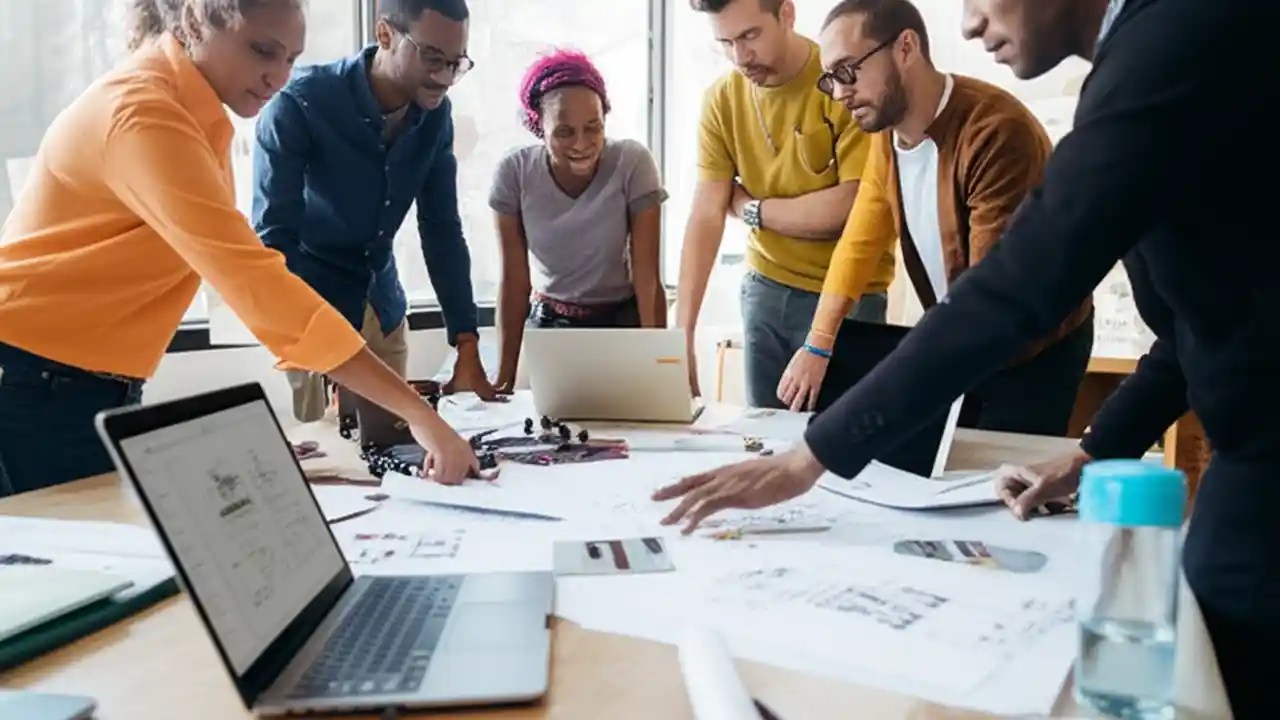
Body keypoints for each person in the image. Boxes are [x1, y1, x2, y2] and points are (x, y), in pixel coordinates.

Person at [655, 0, 1276, 714]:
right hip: (1250, 435)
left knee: (1218, 659)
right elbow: (1199, 328)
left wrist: (810, 456)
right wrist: (1095, 448)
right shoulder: (1154, 50)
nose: (973, 23)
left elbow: (1015, 288)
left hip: (1256, 446)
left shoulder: (1170, 43)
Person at [0, 0, 481, 498]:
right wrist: (421, 417)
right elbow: (256, 282)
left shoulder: (194, 112)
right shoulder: (146, 114)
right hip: (32, 373)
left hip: (83, 381)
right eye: (262, 51)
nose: (277, 75)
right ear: (192, 22)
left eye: (291, 58)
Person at [775, 0, 1094, 439]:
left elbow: (992, 296)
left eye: (849, 70)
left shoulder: (995, 132)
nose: (840, 91)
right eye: (830, 79)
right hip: (963, 338)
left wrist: (885, 399)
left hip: (1030, 350)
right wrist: (817, 343)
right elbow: (860, 242)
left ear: (905, 48)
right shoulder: (887, 138)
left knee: (1000, 489)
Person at [252, 0, 499, 424]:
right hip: (314, 312)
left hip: (383, 309)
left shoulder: (436, 119)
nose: (444, 77)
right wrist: (310, 345)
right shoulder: (301, 105)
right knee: (334, 463)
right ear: (385, 35)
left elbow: (441, 229)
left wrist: (466, 342)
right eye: (432, 58)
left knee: (395, 457)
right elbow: (274, 240)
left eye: (456, 63)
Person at [675, 0, 887, 408]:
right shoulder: (721, 99)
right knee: (765, 447)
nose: (740, 56)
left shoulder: (842, 82)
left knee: (842, 449)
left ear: (787, 14)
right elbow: (706, 213)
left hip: (850, 298)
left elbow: (851, 208)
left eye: (750, 36)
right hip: (765, 292)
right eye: (725, 42)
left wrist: (752, 210)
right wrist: (681, 336)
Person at [489, 50, 668, 392]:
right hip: (552, 324)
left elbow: (648, 277)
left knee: (635, 428)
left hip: (622, 319)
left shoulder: (632, 162)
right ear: (538, 126)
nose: (582, 144)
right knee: (559, 433)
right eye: (564, 132)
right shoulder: (514, 173)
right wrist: (504, 378)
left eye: (593, 128)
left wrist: (659, 370)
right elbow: (514, 282)